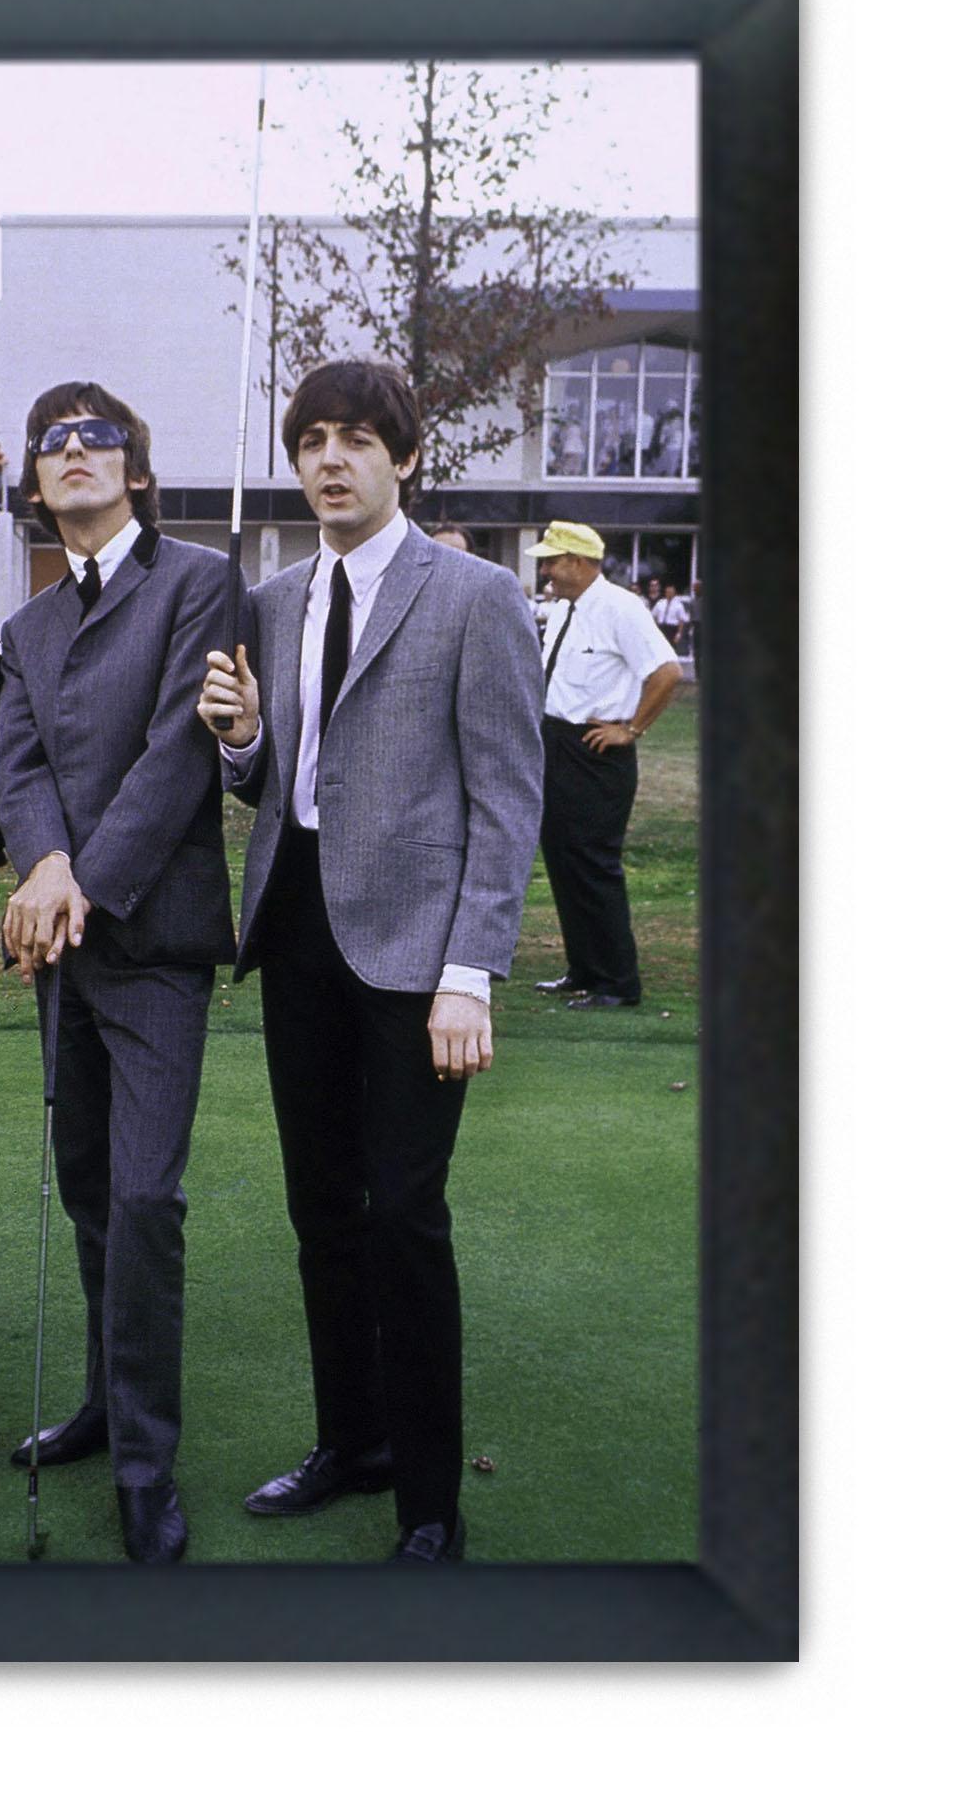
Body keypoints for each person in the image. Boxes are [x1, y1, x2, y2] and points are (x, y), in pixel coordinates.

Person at [197, 358, 543, 1565]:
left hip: (414, 954)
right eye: (310, 440)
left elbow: (506, 797)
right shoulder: (275, 599)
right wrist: (237, 744)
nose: (328, 459)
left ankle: (431, 1504)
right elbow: (271, 779)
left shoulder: (474, 596)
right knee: (320, 1213)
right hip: (293, 928)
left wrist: (470, 970)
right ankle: (350, 1441)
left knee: (403, 1214)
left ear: (402, 454)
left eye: (354, 438)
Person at [0, 380, 234, 1565]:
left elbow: (179, 750)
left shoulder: (197, 579)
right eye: (53, 441)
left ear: (134, 469)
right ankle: (99, 1401)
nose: (74, 450)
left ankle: (145, 1461)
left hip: (151, 943)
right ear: (35, 484)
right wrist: (40, 862)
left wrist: (78, 879)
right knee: (87, 1190)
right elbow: (18, 760)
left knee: (144, 1200)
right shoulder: (26, 626)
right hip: (60, 947)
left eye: (98, 438)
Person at [527, 520, 683, 1011]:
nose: (546, 570)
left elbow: (666, 671)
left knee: (592, 864)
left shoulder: (620, 608)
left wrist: (631, 729)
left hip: (596, 750)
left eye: (552, 560)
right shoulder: (563, 610)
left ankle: (618, 981)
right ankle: (585, 969)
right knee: (563, 859)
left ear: (578, 561)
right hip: (556, 743)